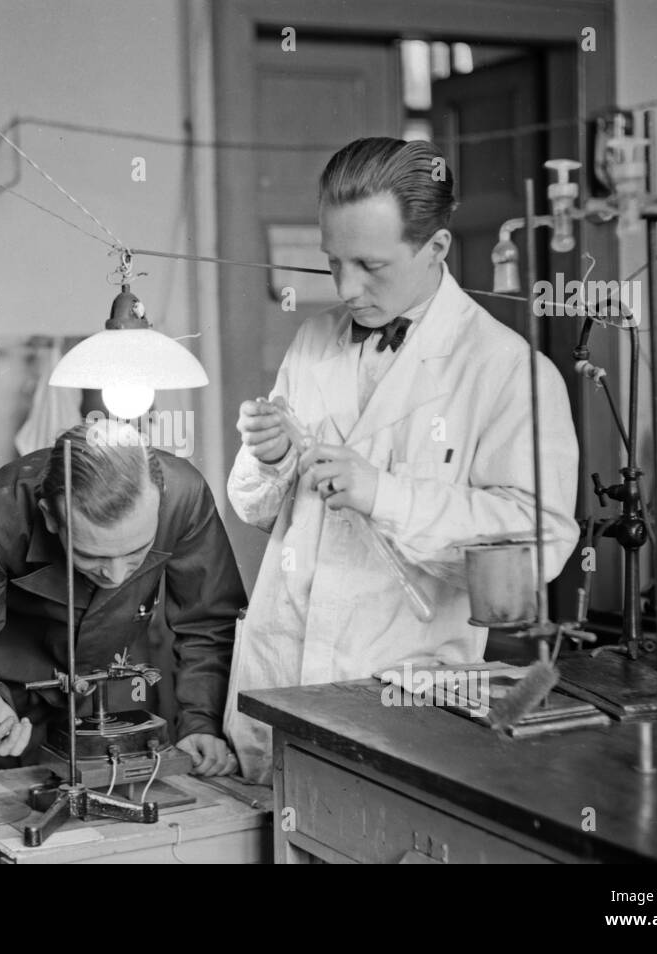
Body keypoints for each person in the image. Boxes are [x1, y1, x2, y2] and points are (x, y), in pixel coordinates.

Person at [224, 137, 581, 783]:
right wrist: (267, 459)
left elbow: (540, 546)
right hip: (280, 681)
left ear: (437, 248)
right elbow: (253, 510)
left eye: (370, 264)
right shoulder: (312, 341)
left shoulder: (509, 373)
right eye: (333, 261)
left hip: (401, 700)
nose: (347, 287)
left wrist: (385, 494)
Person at [0, 419, 244, 779]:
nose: (117, 577)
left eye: (137, 555)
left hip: (115, 701)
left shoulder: (185, 496)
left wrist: (201, 721)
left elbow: (210, 623)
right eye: (93, 557)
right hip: (7, 711)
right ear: (50, 518)